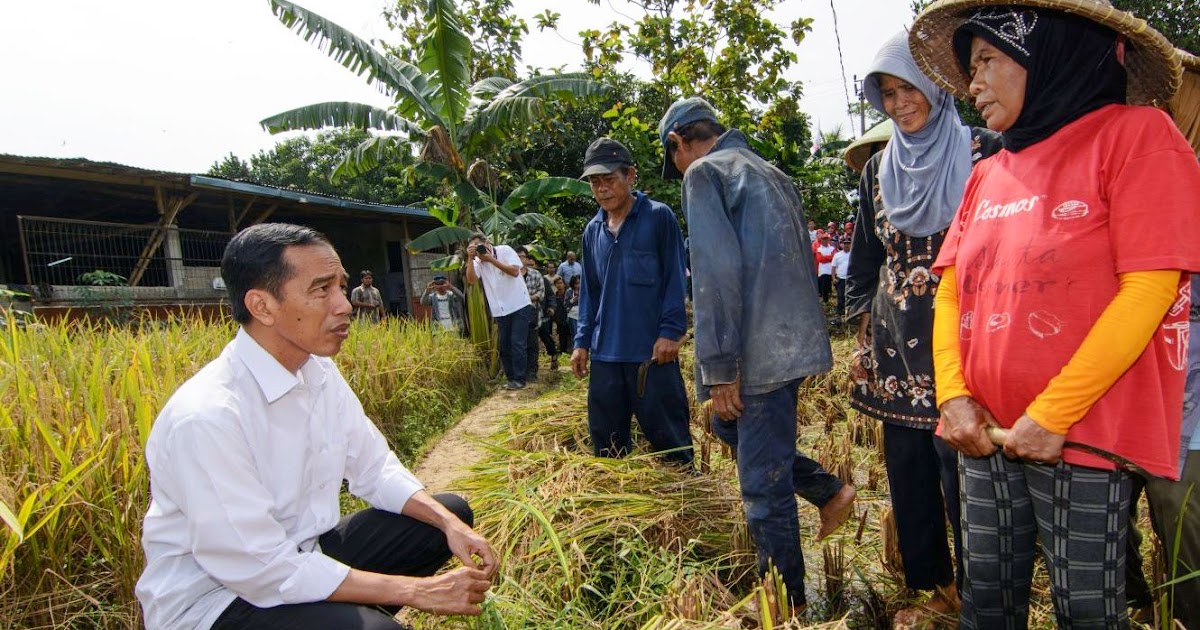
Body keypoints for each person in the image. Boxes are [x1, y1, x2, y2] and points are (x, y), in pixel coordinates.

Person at [910, 1, 1200, 626]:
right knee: (986, 599)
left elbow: (1148, 290)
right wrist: (953, 396)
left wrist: (1053, 413)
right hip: (984, 432)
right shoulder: (988, 172)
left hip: (1080, 434)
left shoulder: (1138, 137)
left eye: (986, 59)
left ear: (1050, 54)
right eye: (968, 67)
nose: (972, 83)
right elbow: (951, 293)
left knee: (1087, 608)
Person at [135, 223, 498, 630]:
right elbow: (263, 569)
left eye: (341, 287)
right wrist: (415, 591)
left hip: (303, 553)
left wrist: (447, 525)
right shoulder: (208, 417)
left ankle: (343, 614)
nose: (343, 305)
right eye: (321, 290)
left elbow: (374, 468)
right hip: (220, 602)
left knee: (447, 514)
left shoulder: (319, 372)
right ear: (262, 306)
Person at [658, 97, 856, 610]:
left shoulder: (703, 173)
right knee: (732, 430)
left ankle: (786, 606)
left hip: (759, 353)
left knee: (762, 492)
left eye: (673, 156)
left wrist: (721, 368)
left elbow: (716, 277)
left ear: (678, 142)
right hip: (796, 343)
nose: (677, 166)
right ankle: (827, 489)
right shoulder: (770, 172)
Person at [845, 30, 1002, 628]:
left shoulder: (987, 151)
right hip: (896, 344)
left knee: (965, 467)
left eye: (907, 86)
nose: (899, 102)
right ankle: (931, 587)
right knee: (909, 470)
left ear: (937, 85)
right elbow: (864, 257)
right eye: (886, 92)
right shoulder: (878, 170)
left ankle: (984, 589)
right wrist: (862, 315)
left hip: (967, 334)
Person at [571, 137, 694, 468]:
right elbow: (590, 293)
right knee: (608, 447)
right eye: (595, 183)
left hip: (651, 356)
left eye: (609, 179)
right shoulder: (592, 230)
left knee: (670, 442)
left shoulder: (658, 218)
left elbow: (674, 278)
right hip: (606, 357)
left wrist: (671, 331)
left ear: (631, 176)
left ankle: (687, 503)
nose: (602, 189)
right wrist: (582, 342)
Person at [465, 233, 533, 390]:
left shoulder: (505, 250)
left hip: (519, 304)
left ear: (487, 243)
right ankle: (511, 380)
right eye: (474, 249)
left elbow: (515, 272)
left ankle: (520, 379)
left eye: (479, 246)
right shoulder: (476, 261)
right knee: (504, 345)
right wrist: (470, 258)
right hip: (500, 309)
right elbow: (471, 280)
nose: (478, 251)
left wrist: (490, 259)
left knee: (517, 342)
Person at [515, 246, 546, 382]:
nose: (519, 258)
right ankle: (520, 373)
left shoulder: (535, 274)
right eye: (517, 256)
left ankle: (532, 372)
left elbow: (541, 293)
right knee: (519, 345)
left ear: (527, 259)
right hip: (516, 315)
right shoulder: (511, 274)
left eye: (522, 256)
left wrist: (527, 297)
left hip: (533, 313)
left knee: (532, 344)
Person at [830, 238, 851, 324]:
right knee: (840, 296)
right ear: (842, 244)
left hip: (850, 279)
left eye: (848, 243)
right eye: (845, 243)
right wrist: (833, 278)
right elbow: (833, 267)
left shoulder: (853, 254)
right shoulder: (837, 255)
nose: (846, 245)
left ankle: (849, 313)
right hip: (840, 279)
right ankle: (838, 314)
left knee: (849, 296)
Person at [815, 234, 836, 303]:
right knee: (824, 289)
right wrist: (830, 257)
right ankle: (826, 302)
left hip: (832, 271)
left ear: (828, 240)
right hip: (823, 271)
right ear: (821, 240)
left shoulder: (832, 248)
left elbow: (835, 257)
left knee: (834, 288)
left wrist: (825, 257)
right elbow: (820, 259)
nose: (825, 241)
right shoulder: (819, 249)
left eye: (826, 239)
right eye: (824, 239)